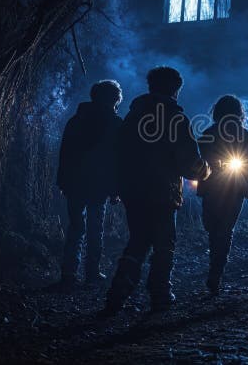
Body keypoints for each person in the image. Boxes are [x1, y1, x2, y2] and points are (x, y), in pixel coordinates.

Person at [102, 67, 211, 315]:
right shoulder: (175, 118)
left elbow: (117, 155)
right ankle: (160, 293)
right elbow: (189, 163)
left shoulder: (133, 116)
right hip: (163, 192)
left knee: (138, 240)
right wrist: (206, 171)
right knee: (164, 243)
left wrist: (117, 185)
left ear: (151, 86)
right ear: (176, 90)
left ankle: (118, 292)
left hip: (133, 190)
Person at [55, 80, 123, 289]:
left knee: (76, 227)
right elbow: (117, 160)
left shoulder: (76, 120)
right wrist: (115, 189)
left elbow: (65, 153)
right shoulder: (115, 124)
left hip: (75, 182)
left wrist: (63, 180)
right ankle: (91, 273)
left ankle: (68, 274)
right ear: (115, 100)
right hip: (99, 185)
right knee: (95, 228)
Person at [197, 95, 248, 296]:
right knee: (224, 230)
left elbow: (199, 158)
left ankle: (215, 270)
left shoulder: (207, 134)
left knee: (214, 228)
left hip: (211, 188)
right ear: (239, 113)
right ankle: (216, 272)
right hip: (236, 189)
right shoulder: (246, 136)